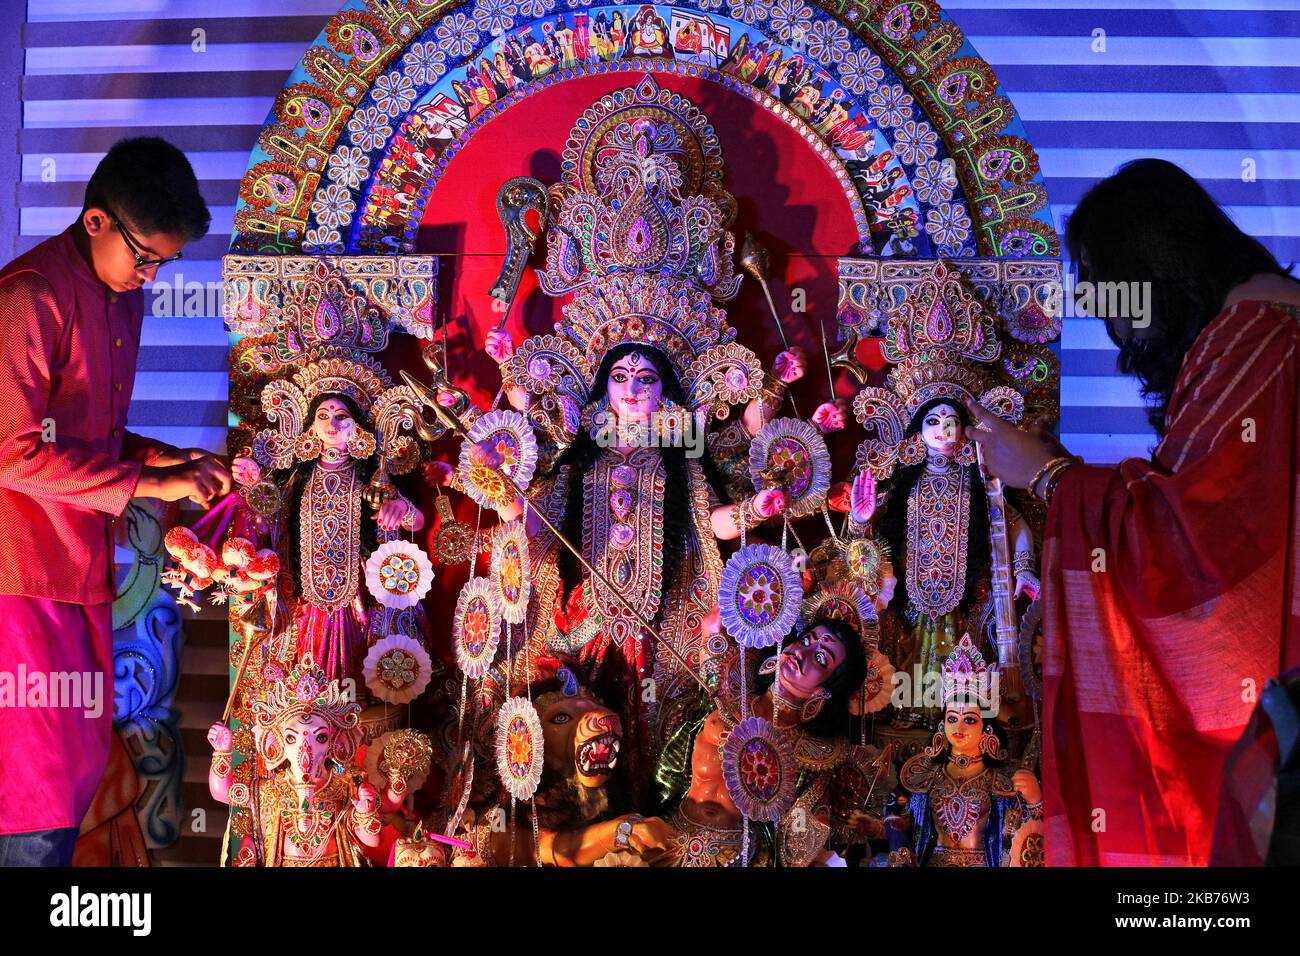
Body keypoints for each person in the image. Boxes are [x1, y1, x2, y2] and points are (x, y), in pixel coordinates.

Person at [966, 159, 1300, 865]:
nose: (1097, 310)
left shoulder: (1258, 339)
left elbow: (1193, 548)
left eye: (1103, 285)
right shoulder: (1262, 325)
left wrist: (1050, 476)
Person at [0, 137, 229, 866]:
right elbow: (12, 449)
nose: (151, 275)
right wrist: (148, 484)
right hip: (18, 580)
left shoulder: (119, 300)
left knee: (71, 792)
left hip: (80, 576)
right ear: (95, 221)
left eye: (164, 262)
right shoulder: (29, 296)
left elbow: (82, 434)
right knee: (31, 806)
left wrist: (165, 458)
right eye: (144, 256)